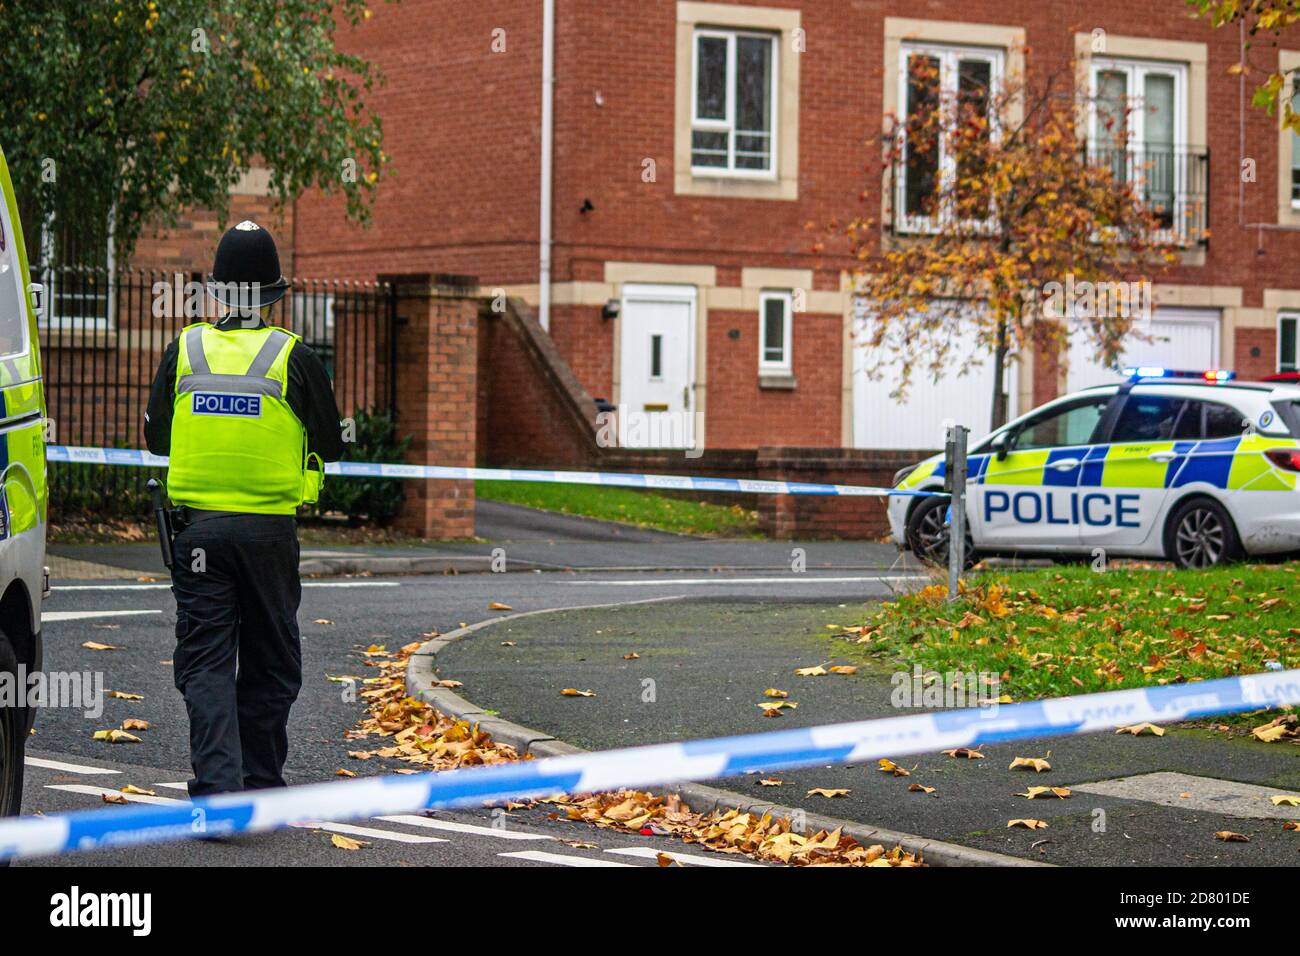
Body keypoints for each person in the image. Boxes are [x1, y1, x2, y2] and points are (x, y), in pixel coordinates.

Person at [144, 220, 343, 796]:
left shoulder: (185, 349)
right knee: (271, 662)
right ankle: (260, 781)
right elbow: (330, 443)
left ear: (218, 290)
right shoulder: (293, 357)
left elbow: (157, 440)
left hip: (199, 535)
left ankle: (217, 784)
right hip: (268, 538)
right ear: (273, 295)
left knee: (204, 661)